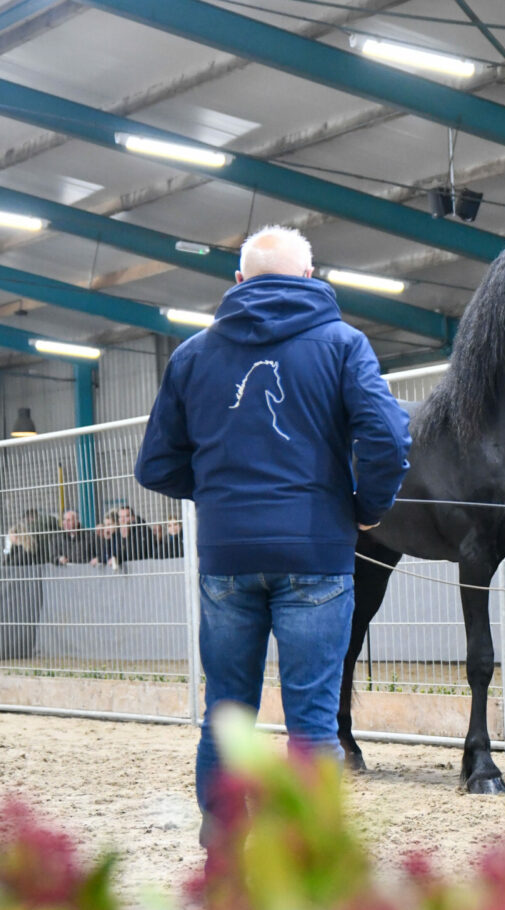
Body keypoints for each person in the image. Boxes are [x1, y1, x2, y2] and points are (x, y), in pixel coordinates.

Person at [135, 225, 410, 844]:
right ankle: (308, 863)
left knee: (227, 715)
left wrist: (221, 495)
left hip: (227, 555)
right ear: (310, 278)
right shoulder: (344, 344)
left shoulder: (193, 355)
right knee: (312, 723)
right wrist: (365, 509)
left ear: (238, 282)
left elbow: (156, 464)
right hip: (317, 551)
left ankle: (224, 858)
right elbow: (389, 441)